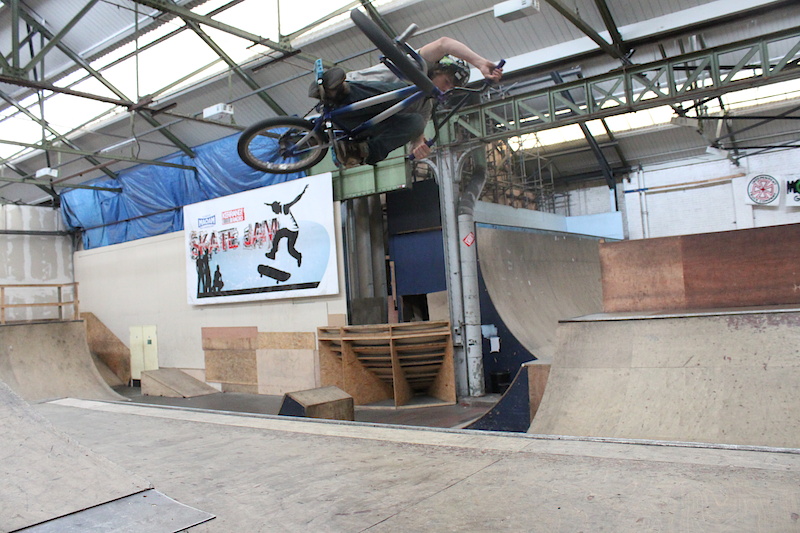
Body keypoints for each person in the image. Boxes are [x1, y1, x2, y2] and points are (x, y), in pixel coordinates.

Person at [310, 36, 503, 167]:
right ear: (438, 70)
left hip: (355, 128)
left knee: (417, 122)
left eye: (450, 89)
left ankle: (359, 152)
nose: (446, 89)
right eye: (446, 82)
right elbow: (444, 44)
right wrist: (480, 63)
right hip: (351, 96)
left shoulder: (426, 106)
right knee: (411, 91)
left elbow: (416, 135)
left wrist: (420, 147)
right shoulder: (418, 66)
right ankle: (335, 91)